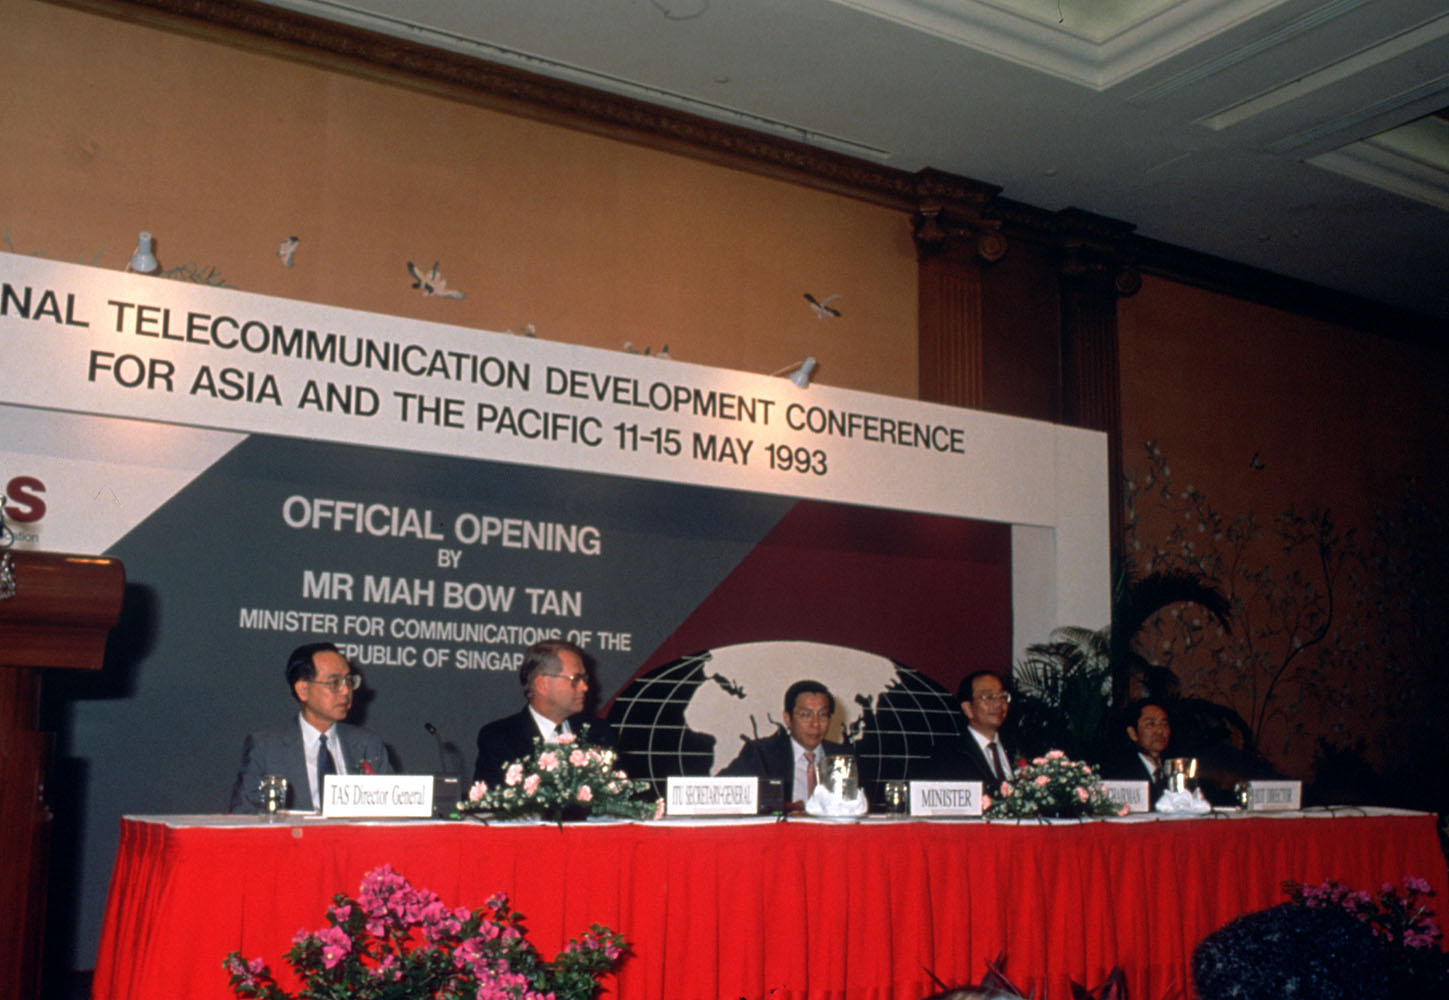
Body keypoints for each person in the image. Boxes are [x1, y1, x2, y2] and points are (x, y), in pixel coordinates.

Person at [229, 641, 392, 813]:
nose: (346, 691)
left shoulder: (368, 745)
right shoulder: (266, 748)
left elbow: (391, 812)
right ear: (303, 690)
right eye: (335, 682)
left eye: (349, 681)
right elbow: (243, 815)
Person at [472, 638, 614, 789]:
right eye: (576, 679)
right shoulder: (500, 739)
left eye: (584, 679)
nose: (584, 687)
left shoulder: (599, 734)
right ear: (542, 685)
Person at [718, 679, 856, 808]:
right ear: (787, 719)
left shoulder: (845, 758)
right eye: (805, 715)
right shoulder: (761, 754)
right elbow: (720, 791)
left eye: (823, 715)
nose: (815, 724)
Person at [919, 670, 1016, 788]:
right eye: (989, 697)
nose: (999, 704)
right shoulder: (949, 756)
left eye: (1003, 696)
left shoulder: (1018, 748)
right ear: (968, 708)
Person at [1101, 698, 1173, 804]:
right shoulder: (1119, 772)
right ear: (1133, 733)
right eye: (1151, 724)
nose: (1160, 730)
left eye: (1164, 724)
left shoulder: (1174, 768)